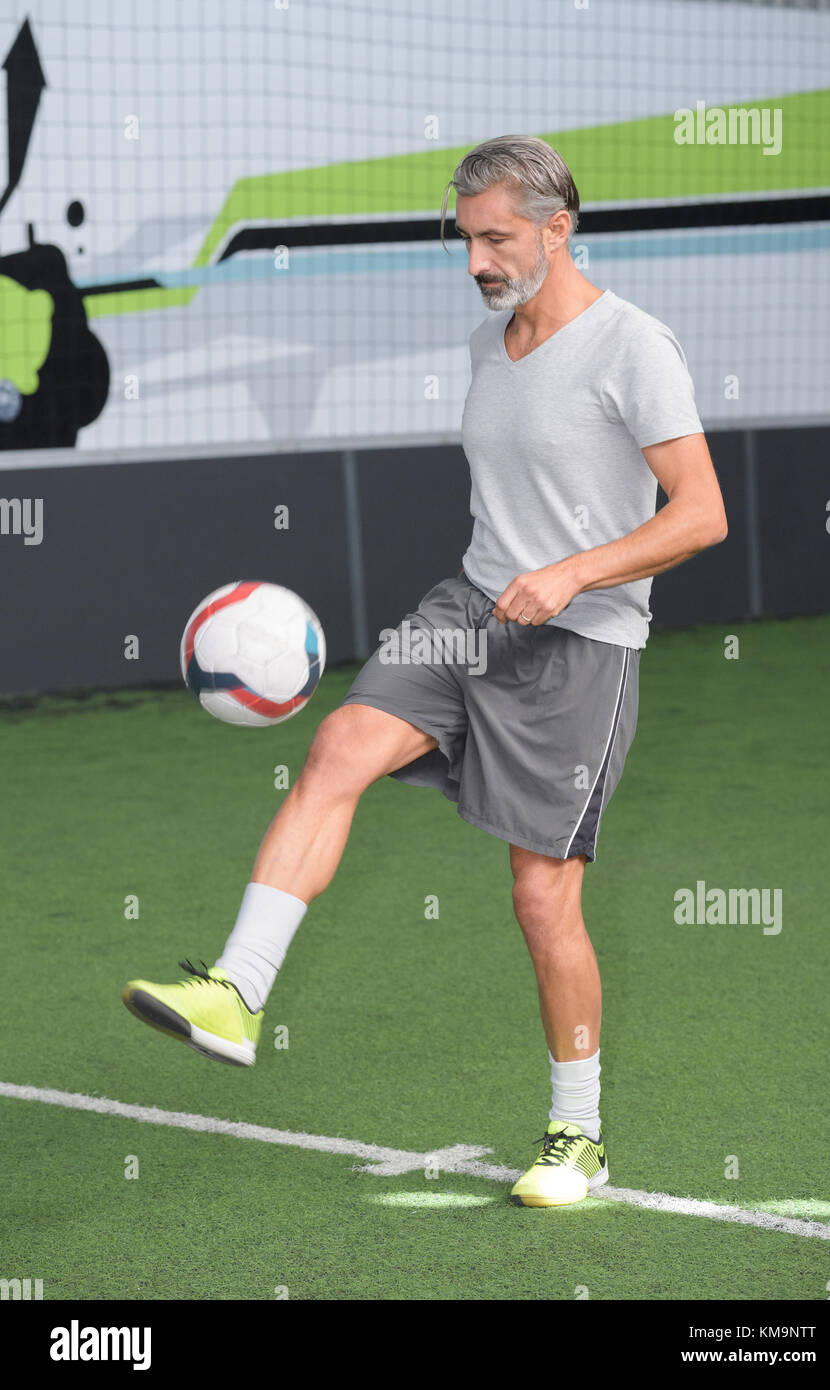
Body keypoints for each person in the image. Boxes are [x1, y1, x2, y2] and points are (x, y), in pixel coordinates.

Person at [123, 134, 727, 1208]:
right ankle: (237, 991)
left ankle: (575, 1133)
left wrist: (574, 572)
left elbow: (701, 514)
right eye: (466, 239)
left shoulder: (634, 347)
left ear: (556, 227)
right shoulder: (486, 345)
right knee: (339, 744)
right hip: (470, 608)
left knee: (540, 899)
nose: (476, 261)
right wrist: (512, 579)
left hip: (580, 646)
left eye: (495, 238)